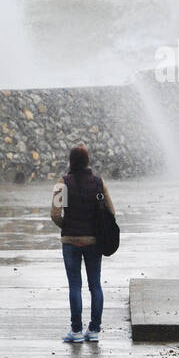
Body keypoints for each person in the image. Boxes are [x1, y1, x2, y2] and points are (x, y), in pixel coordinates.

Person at [50, 145, 116, 343]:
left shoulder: (62, 183)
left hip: (70, 241)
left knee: (74, 286)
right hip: (93, 241)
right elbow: (111, 211)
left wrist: (67, 226)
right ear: (88, 162)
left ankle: (76, 331)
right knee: (95, 285)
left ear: (70, 162)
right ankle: (94, 330)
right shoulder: (98, 183)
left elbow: (54, 213)